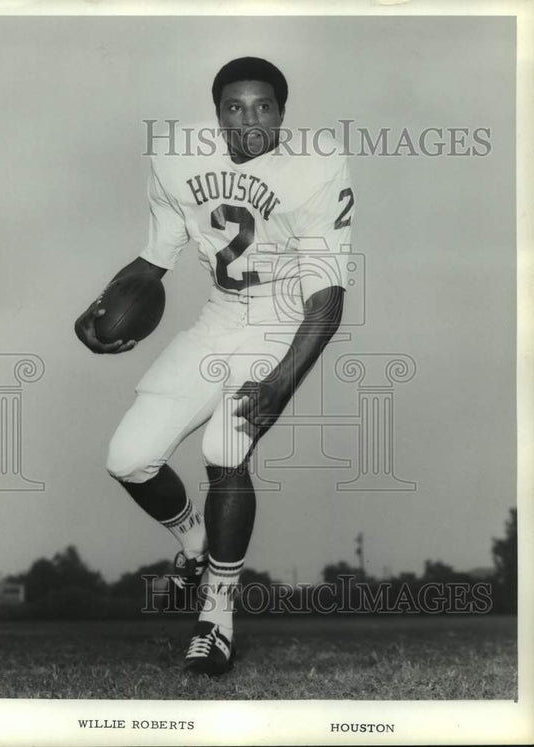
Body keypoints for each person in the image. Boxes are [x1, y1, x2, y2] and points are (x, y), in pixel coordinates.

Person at [75, 57, 354, 676]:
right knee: (127, 458)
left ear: (284, 113)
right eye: (235, 107)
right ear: (217, 113)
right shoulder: (178, 157)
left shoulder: (316, 164)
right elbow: (153, 263)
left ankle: (216, 618)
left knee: (226, 450)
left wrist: (284, 377)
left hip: (284, 318)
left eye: (264, 107)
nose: (249, 120)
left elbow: (328, 298)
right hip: (220, 316)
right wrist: (94, 312)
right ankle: (195, 541)